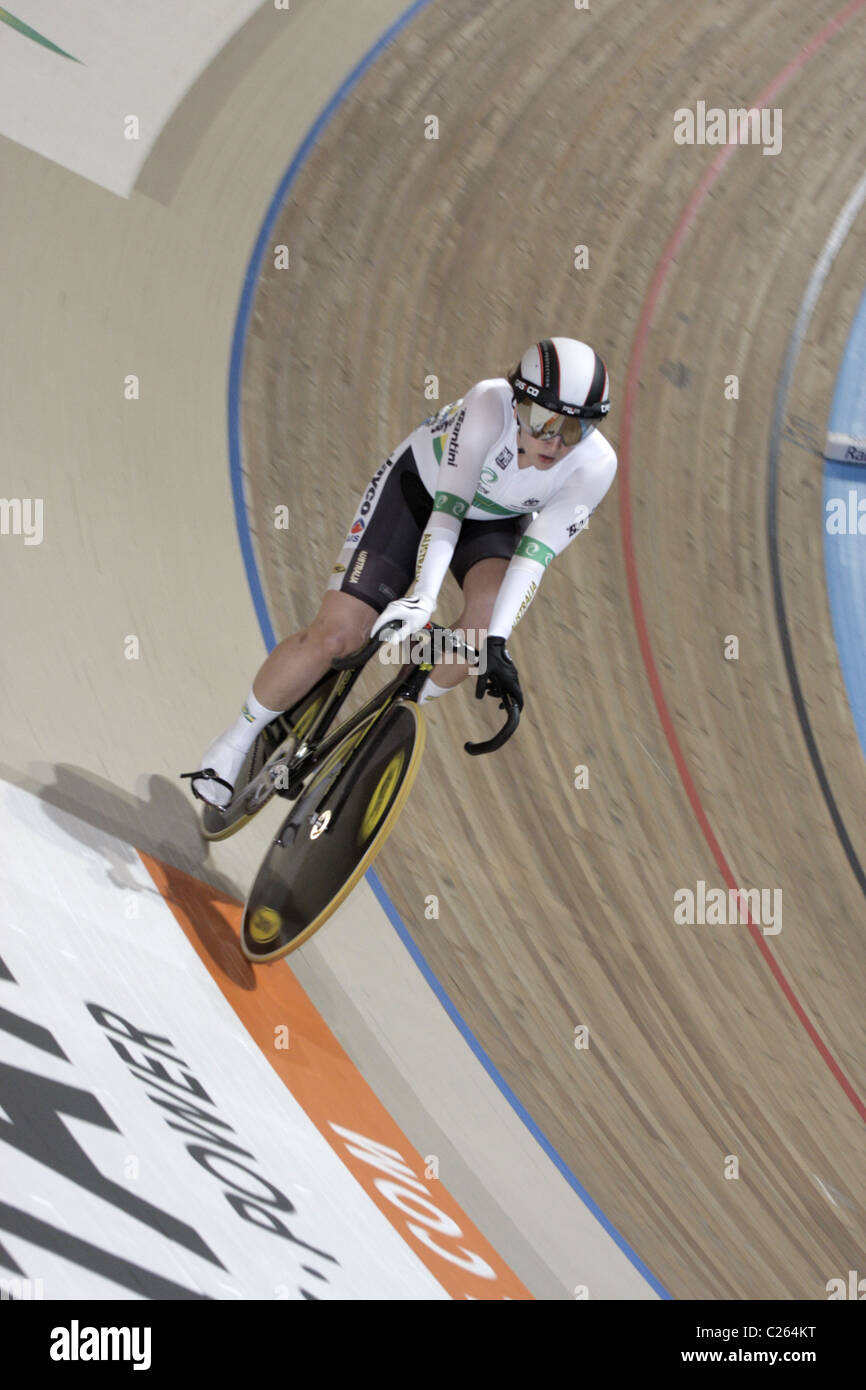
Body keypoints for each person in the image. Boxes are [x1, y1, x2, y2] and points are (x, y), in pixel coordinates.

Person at [186, 336, 617, 808]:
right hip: (419, 493)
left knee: (482, 634)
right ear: (518, 403)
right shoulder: (488, 404)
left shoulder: (595, 466)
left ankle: (388, 720)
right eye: (544, 422)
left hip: (494, 524)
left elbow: (534, 560)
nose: (555, 443)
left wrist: (495, 645)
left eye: (574, 429)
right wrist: (423, 597)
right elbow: (447, 512)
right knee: (339, 636)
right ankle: (235, 740)